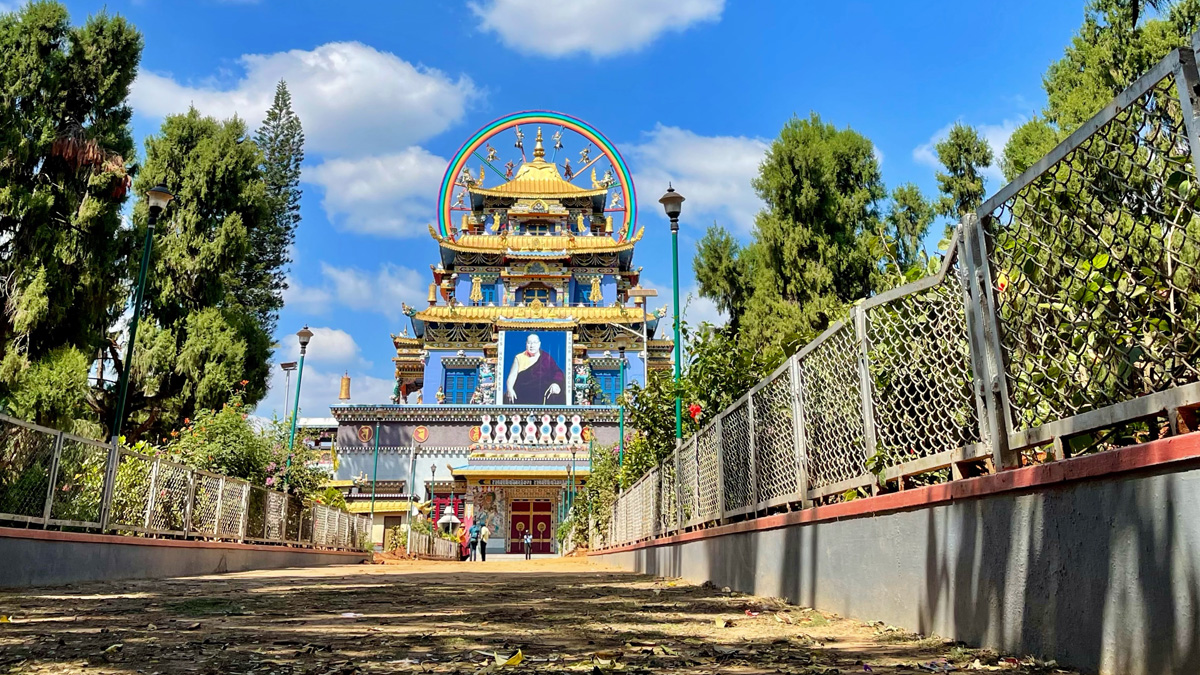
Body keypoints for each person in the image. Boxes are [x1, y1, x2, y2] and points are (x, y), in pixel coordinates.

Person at [505, 334, 565, 404]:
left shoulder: (546, 358)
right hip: (522, 393)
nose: (532, 346)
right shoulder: (519, 358)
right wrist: (510, 389)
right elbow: (512, 376)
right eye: (529, 343)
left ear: (539, 344)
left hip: (541, 394)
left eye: (534, 343)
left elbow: (557, 372)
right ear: (526, 344)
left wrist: (556, 384)